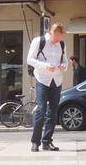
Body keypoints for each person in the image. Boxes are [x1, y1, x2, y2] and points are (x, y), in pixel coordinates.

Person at [27, 23, 69, 153]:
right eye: (57, 37)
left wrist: (64, 66)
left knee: (53, 111)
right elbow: (29, 59)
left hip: (56, 80)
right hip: (42, 79)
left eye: (61, 37)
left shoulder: (61, 44)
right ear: (52, 33)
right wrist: (45, 66)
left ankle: (47, 141)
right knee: (41, 109)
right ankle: (35, 142)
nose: (59, 40)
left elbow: (65, 60)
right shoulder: (38, 41)